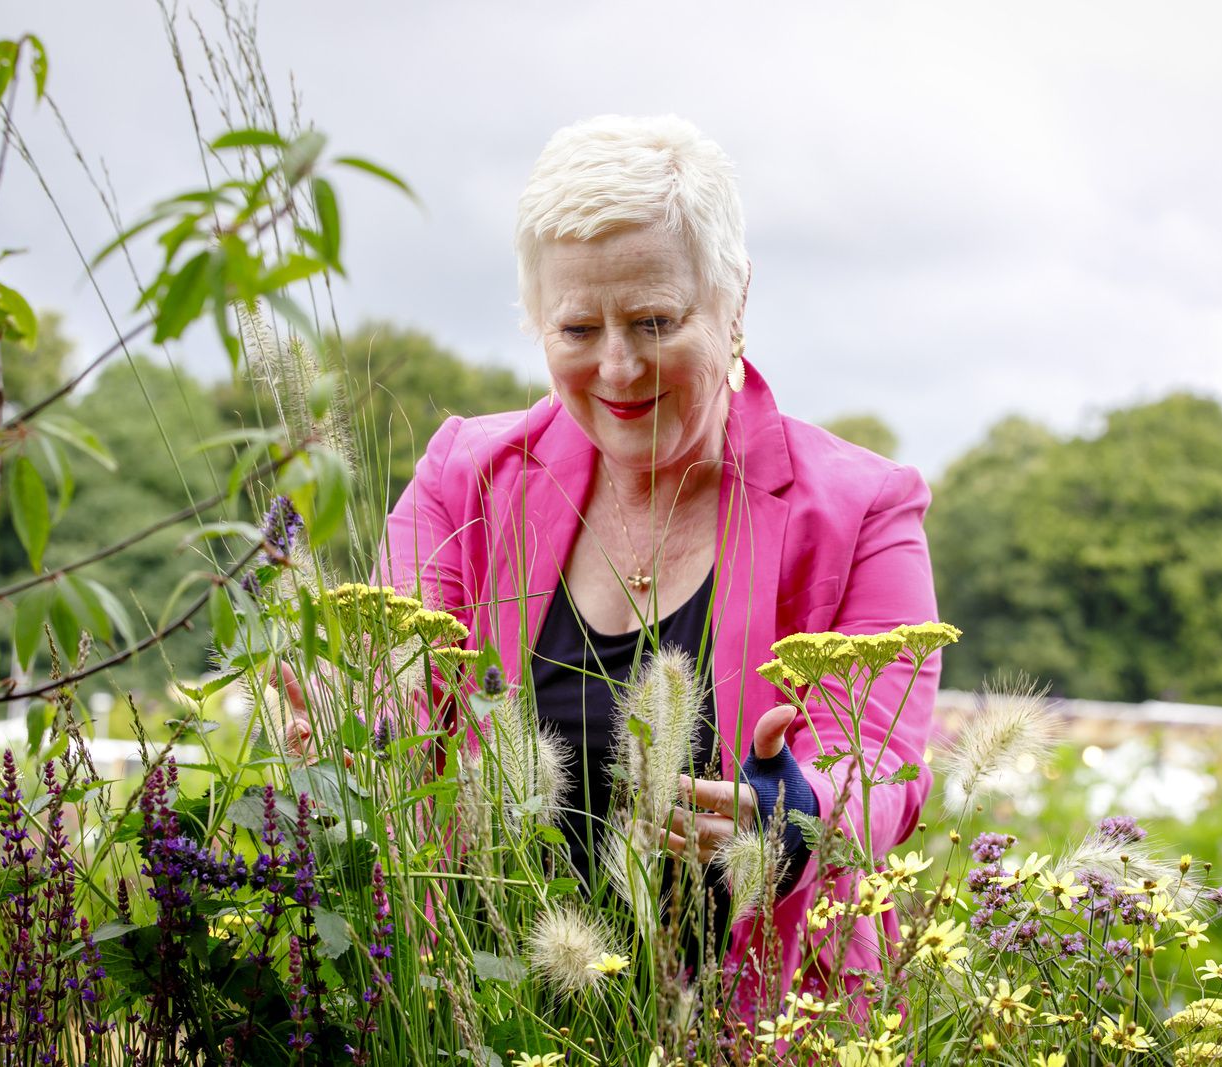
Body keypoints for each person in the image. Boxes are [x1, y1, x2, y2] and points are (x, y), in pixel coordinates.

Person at [277, 114, 941, 1012]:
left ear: (734, 299)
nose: (619, 366)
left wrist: (801, 814)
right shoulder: (463, 479)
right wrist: (358, 721)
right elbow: (404, 674)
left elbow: (882, 757)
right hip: (484, 1017)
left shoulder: (863, 508)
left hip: (764, 1019)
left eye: (654, 321)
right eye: (578, 327)